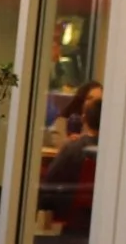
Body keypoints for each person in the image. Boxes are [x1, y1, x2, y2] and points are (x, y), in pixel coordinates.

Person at [38, 95, 101, 234]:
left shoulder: (72, 149)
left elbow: (49, 182)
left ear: (84, 119)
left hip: (71, 219)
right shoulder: (116, 154)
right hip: (102, 219)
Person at [43, 79, 102, 152]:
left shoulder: (104, 125)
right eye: (90, 98)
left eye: (98, 100)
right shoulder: (63, 120)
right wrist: (70, 142)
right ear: (81, 99)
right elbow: (57, 144)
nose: (94, 103)